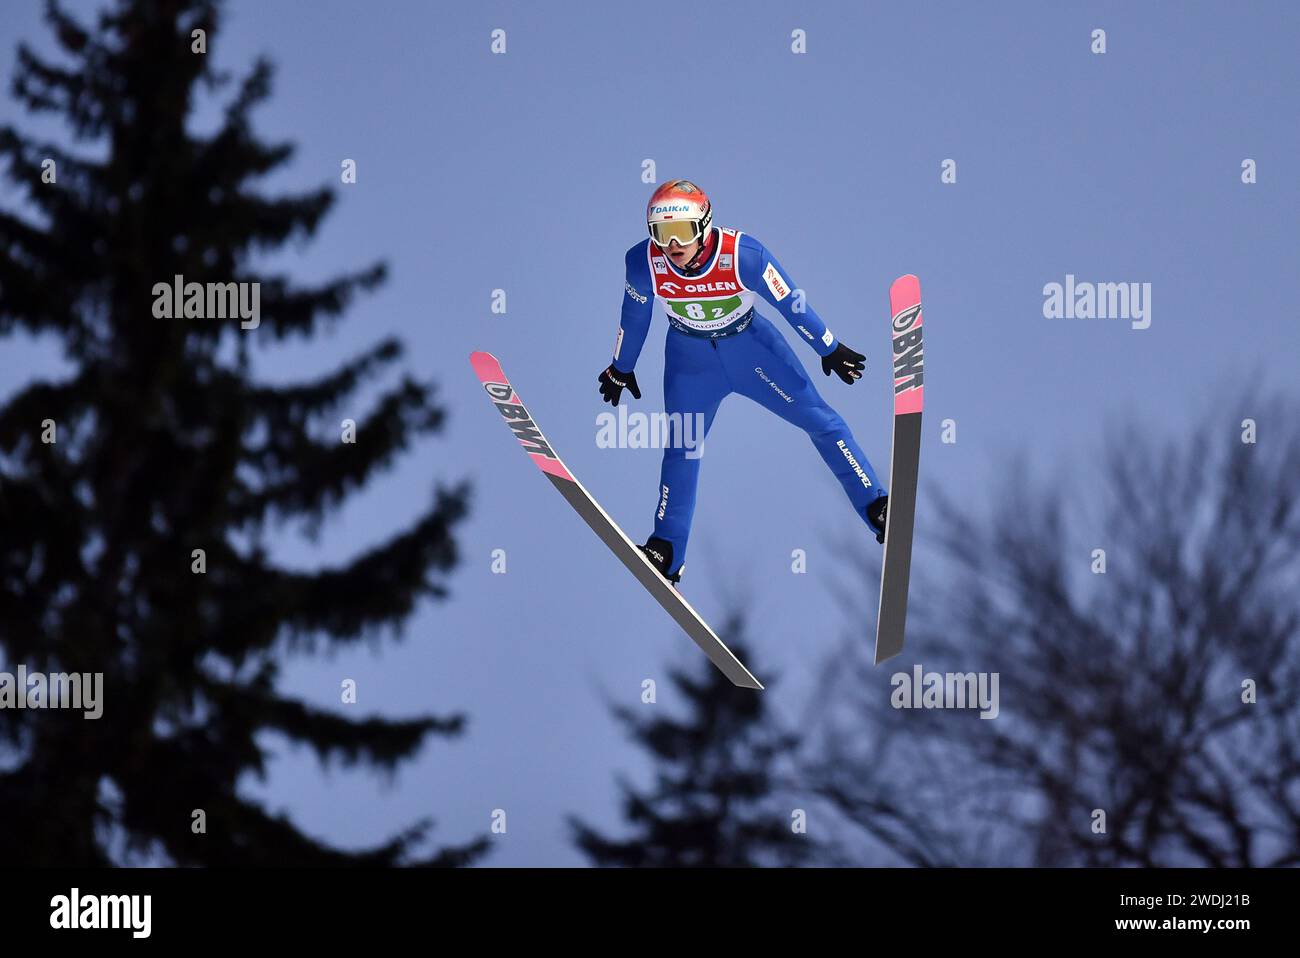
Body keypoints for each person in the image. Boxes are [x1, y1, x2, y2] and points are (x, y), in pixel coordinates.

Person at [598, 179, 888, 586]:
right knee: (682, 449)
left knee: (820, 420)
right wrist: (620, 367)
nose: (672, 245)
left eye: (681, 232)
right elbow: (634, 316)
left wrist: (829, 347)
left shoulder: (743, 255)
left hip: (752, 350)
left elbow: (791, 301)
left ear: (704, 225)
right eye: (661, 234)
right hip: (690, 362)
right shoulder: (643, 262)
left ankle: (876, 504)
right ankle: (666, 548)